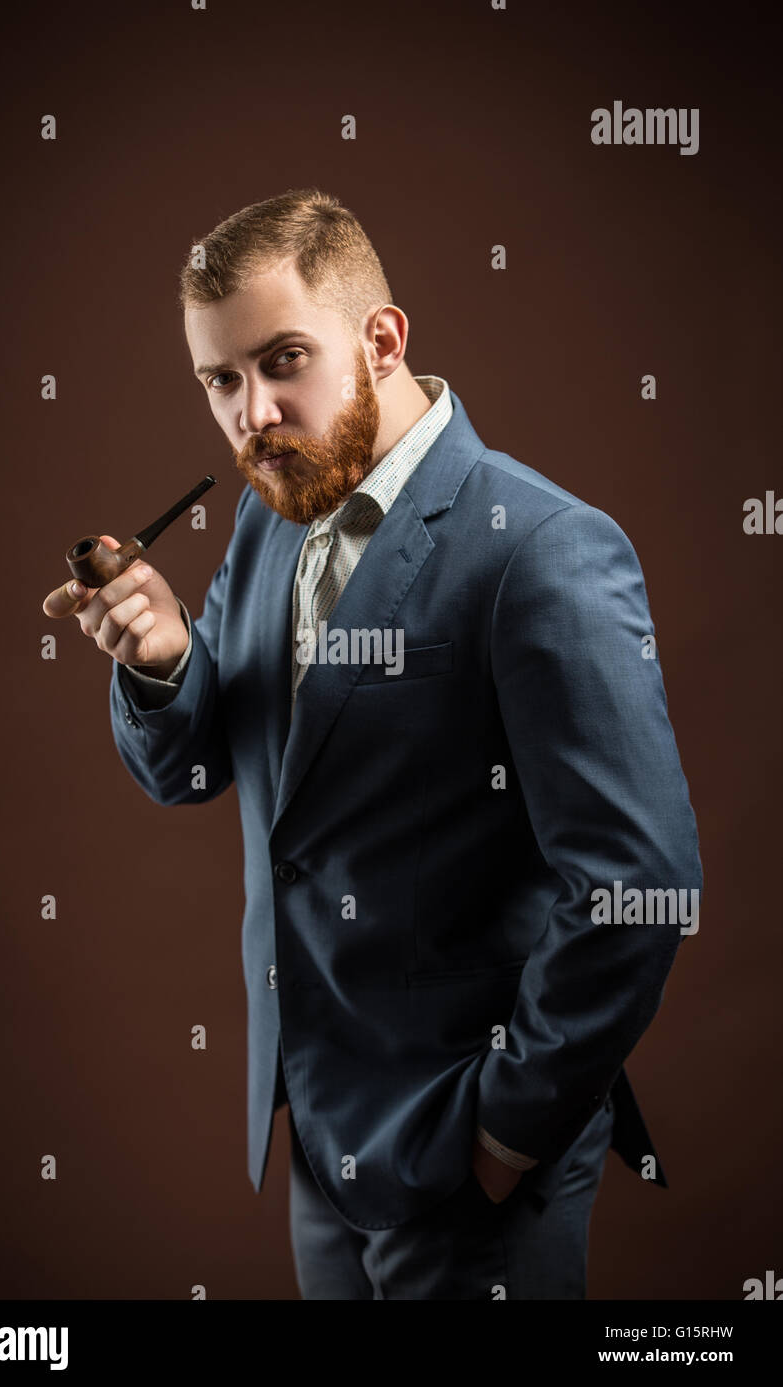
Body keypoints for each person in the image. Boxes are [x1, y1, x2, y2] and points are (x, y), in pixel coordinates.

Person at [42, 188, 702, 1300]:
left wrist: (501, 1138)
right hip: (322, 1135)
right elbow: (197, 769)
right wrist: (160, 657)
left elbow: (640, 884)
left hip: (467, 1149)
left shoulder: (539, 548)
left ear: (381, 339)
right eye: (221, 380)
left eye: (282, 359)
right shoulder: (271, 513)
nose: (253, 413)